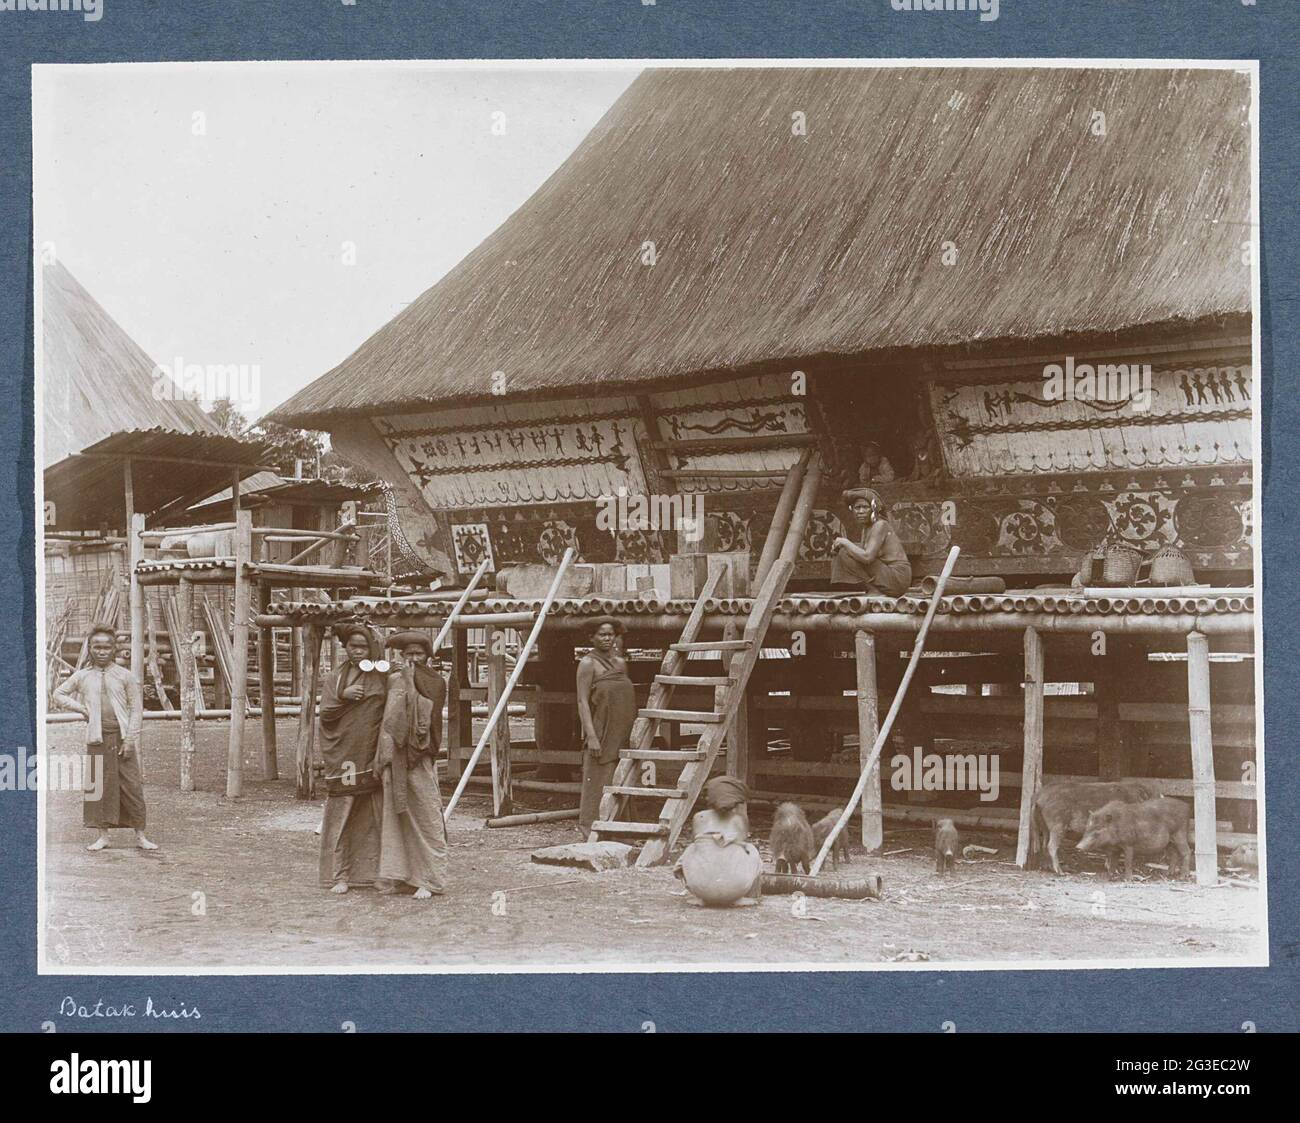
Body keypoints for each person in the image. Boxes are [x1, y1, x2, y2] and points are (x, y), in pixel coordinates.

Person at [52, 624, 156, 852]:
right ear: (90, 648)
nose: (102, 651)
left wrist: (130, 740)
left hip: (122, 738)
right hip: (97, 739)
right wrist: (82, 709)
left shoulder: (126, 676)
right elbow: (58, 694)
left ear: (114, 649)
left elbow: (136, 710)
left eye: (106, 647)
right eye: (97, 647)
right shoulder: (82, 676)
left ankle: (140, 835)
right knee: (99, 786)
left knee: (131, 786)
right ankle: (103, 835)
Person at [374, 631, 449, 900]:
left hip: (420, 755)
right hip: (395, 754)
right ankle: (402, 876)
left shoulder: (435, 681)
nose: (414, 659)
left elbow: (426, 716)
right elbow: (387, 719)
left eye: (419, 654)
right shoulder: (394, 679)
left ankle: (430, 879)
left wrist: (408, 679)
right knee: (397, 817)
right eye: (409, 655)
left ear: (428, 657)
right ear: (401, 656)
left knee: (426, 814)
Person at [317, 624, 388, 893]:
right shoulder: (336, 677)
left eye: (363, 646)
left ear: (372, 648)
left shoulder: (383, 675)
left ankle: (378, 873)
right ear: (345, 648)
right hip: (345, 755)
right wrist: (343, 698)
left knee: (376, 814)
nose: (357, 651)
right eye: (352, 646)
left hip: (373, 754)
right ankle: (340, 875)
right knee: (342, 814)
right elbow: (326, 715)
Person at [575, 616, 637, 837]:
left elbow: (623, 695)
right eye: (602, 634)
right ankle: (592, 828)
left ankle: (620, 827)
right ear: (591, 637)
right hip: (602, 730)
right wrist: (591, 736)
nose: (607, 638)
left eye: (610, 634)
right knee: (599, 779)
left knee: (622, 777)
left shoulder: (621, 664)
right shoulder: (587, 664)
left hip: (624, 730)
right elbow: (582, 701)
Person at [675, 776, 763, 906]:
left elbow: (700, 845)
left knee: (693, 848)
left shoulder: (699, 817)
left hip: (701, 887)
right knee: (750, 849)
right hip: (735, 889)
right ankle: (739, 898)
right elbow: (740, 847)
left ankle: (702, 897)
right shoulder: (739, 820)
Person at [830, 487, 912, 595]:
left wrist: (844, 542)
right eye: (857, 508)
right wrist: (841, 545)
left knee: (845, 550)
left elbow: (867, 557)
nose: (860, 511)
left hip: (897, 578)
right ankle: (873, 589)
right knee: (844, 550)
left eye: (865, 507)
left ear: (873, 509)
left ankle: (873, 589)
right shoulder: (867, 528)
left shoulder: (880, 525)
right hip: (889, 575)